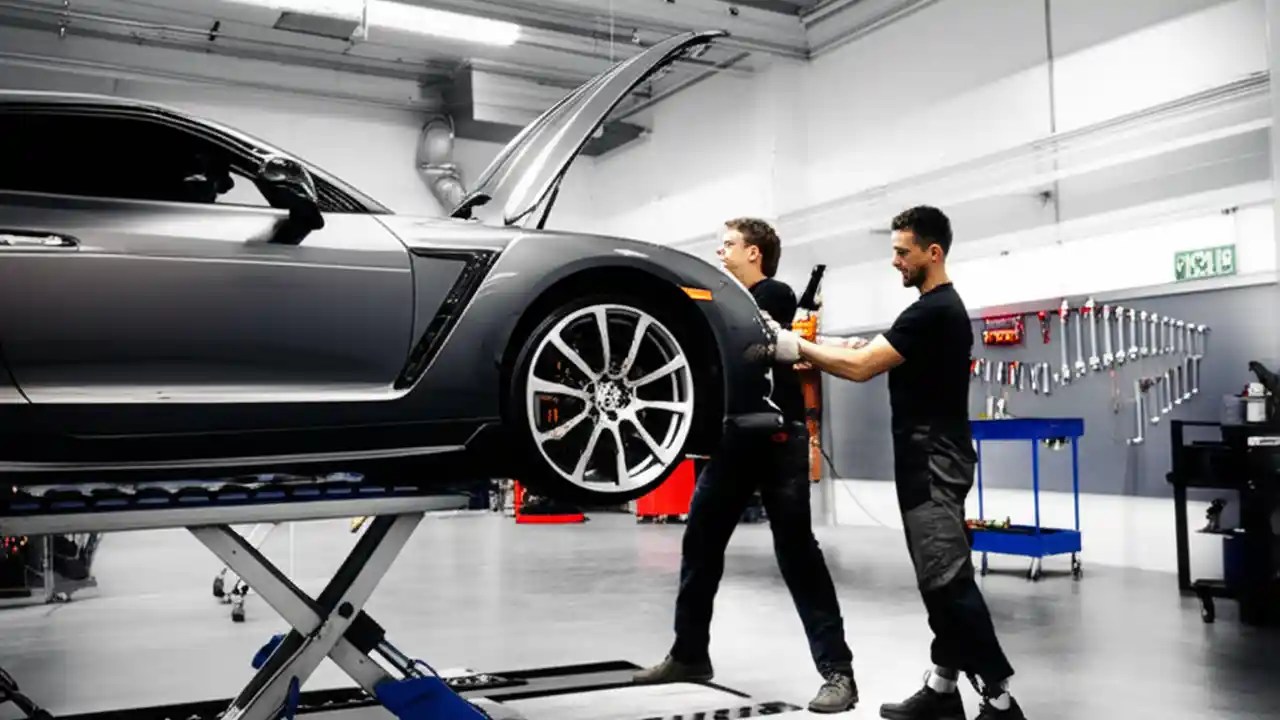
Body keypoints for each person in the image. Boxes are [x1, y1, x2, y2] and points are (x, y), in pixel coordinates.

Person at [766, 206, 1025, 720]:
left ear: (933, 252)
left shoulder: (933, 311)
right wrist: (826, 350)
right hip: (928, 457)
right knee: (938, 575)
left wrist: (793, 346)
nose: (895, 262)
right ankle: (943, 688)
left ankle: (998, 697)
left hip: (932, 461)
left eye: (902, 252)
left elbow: (861, 368)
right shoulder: (934, 310)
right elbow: (874, 354)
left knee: (946, 579)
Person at [633, 217, 858, 714]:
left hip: (778, 439)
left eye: (730, 244)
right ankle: (689, 654)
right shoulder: (729, 299)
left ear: (754, 253)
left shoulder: (773, 294)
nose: (721, 250)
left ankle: (838, 674)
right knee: (700, 543)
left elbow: (750, 341)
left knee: (797, 553)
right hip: (736, 437)